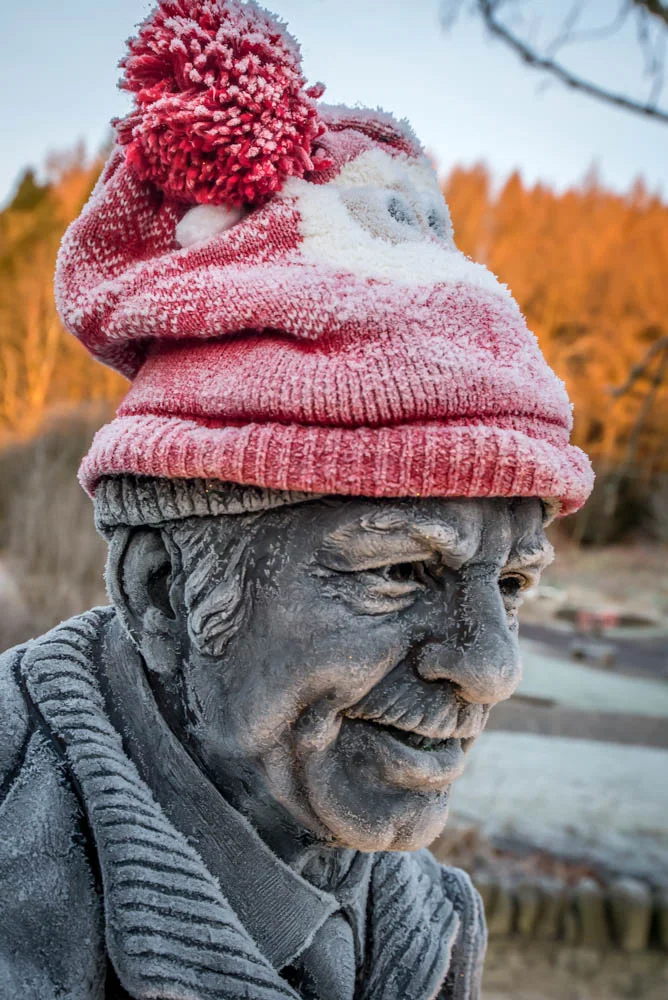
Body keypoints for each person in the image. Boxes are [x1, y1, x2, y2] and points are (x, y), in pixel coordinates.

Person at [0, 2, 593, 997]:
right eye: (403, 568)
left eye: (515, 581)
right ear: (158, 591)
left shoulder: (427, 922)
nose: (490, 666)